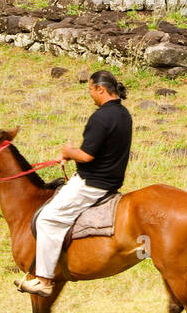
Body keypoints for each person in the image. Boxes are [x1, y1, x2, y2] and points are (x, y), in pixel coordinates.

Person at [17, 70, 133, 298]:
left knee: (47, 219)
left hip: (92, 184)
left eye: (91, 90)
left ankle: (44, 280)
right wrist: (72, 155)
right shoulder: (124, 114)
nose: (90, 95)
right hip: (111, 182)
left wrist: (69, 151)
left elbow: (88, 156)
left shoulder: (101, 117)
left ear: (100, 89)